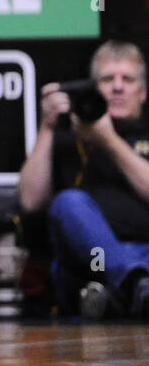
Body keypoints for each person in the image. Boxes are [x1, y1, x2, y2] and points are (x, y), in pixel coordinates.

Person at [19, 41, 149, 319]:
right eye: (107, 79)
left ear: (143, 91)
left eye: (127, 79)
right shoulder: (68, 138)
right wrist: (47, 126)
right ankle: (133, 285)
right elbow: (30, 201)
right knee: (68, 202)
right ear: (93, 87)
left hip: (146, 251)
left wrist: (108, 141)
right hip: (89, 263)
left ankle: (117, 299)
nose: (117, 87)